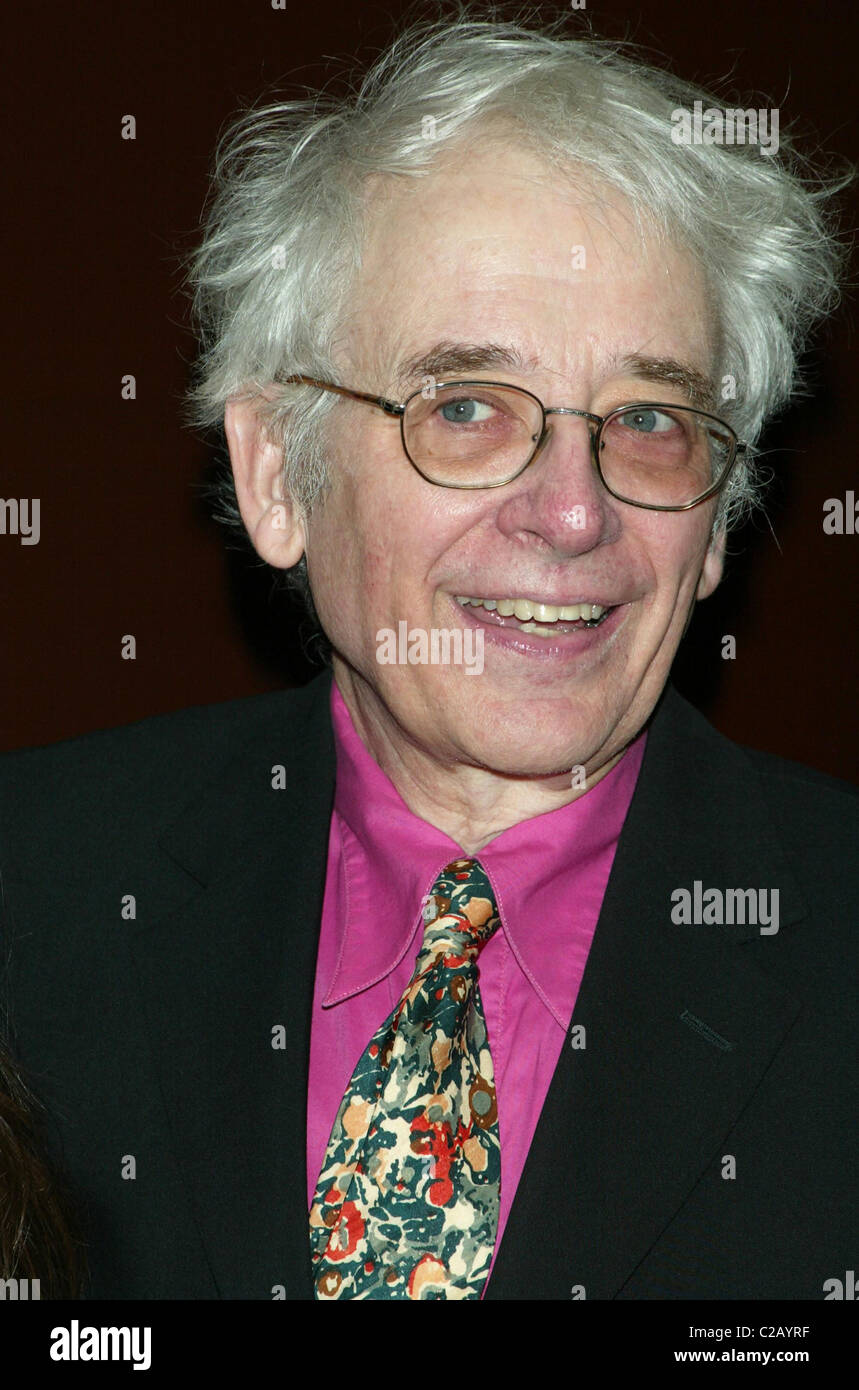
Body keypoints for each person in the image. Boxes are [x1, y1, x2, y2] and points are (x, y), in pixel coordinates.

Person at [0, 9, 855, 1300]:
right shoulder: (35, 894)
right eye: (465, 408)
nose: (574, 511)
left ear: (719, 522)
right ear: (279, 470)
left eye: (650, 421)